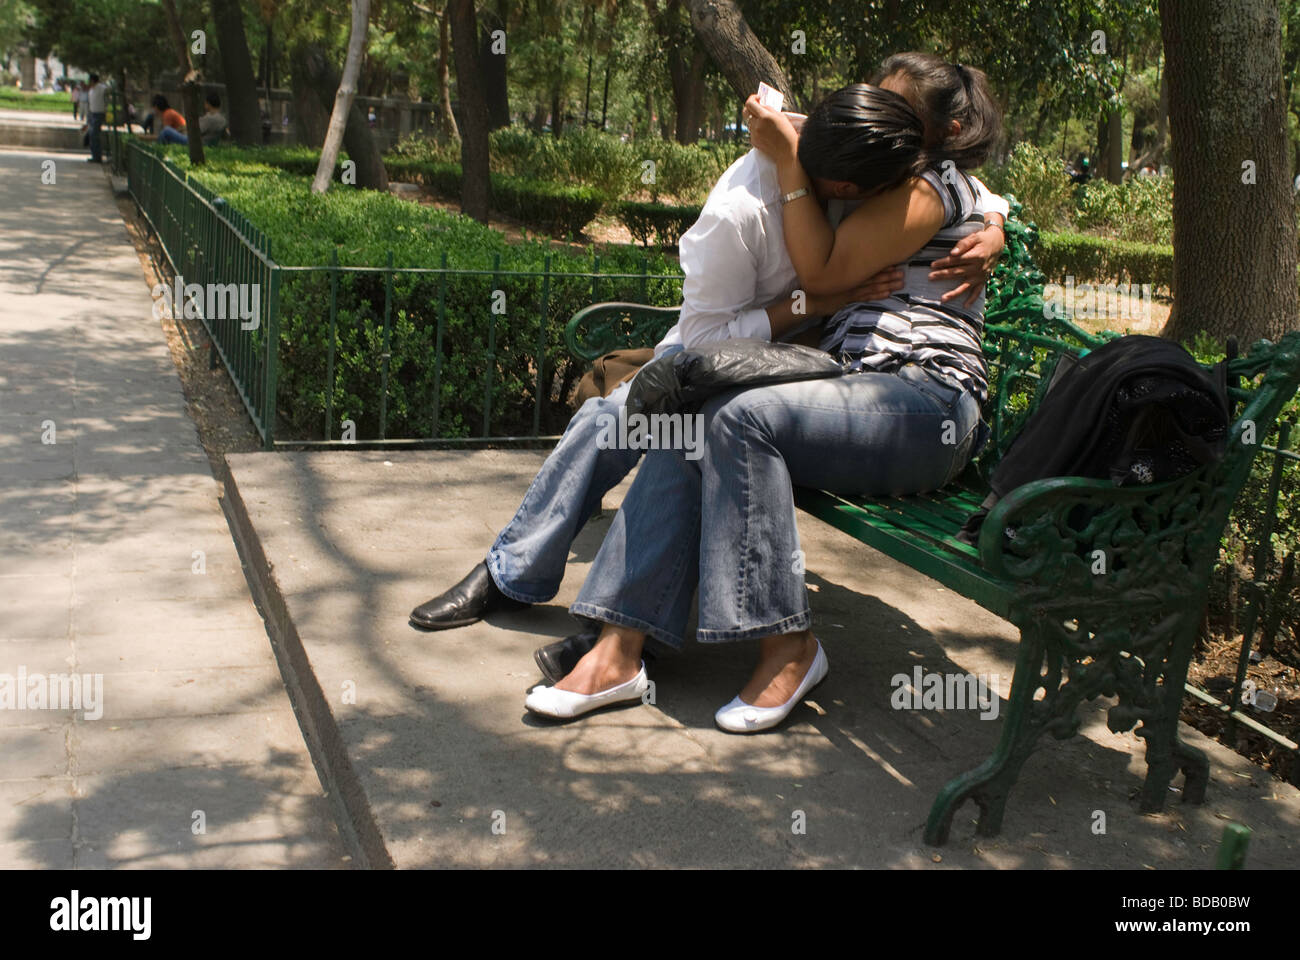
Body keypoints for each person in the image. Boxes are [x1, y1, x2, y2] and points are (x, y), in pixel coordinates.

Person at [409, 71, 1009, 681]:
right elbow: (704, 340)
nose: (886, 115)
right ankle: (514, 574)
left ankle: (625, 634)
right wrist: (811, 305)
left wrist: (995, 226)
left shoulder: (883, 163)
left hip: (826, 375)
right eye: (880, 98)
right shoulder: (745, 207)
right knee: (618, 417)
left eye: (898, 108)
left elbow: (965, 188)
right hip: (723, 350)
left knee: (699, 428)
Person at [85, 75, 108, 163]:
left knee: (95, 135)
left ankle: (97, 157)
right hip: (92, 113)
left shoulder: (102, 88)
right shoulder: (91, 90)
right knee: (91, 135)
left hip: (99, 113)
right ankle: (94, 155)